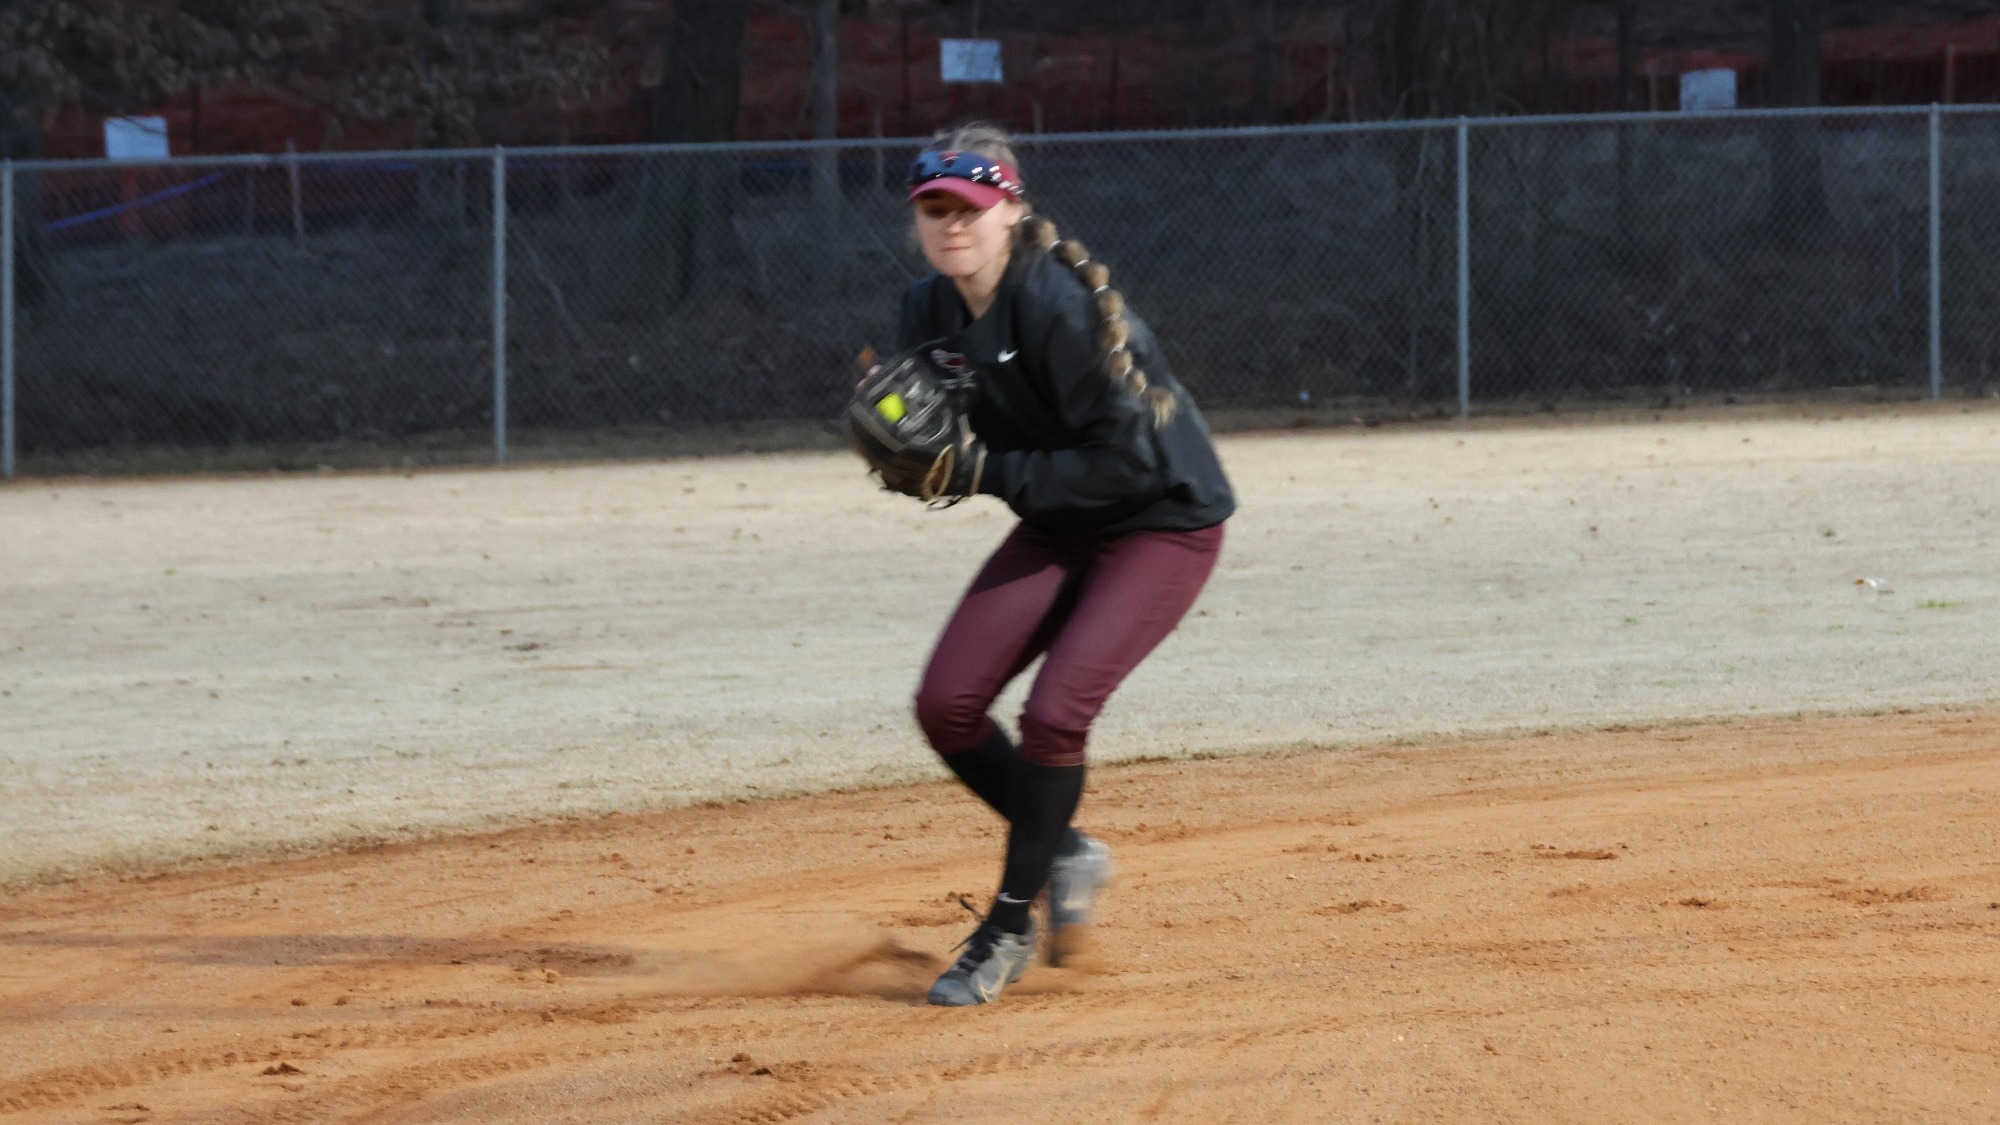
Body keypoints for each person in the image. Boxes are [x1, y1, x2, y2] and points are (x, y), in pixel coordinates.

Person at [890, 123, 1236, 1007]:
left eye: (967, 207)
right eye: (933, 208)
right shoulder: (928, 312)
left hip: (1161, 520)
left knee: (1052, 715)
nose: (950, 225)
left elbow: (1131, 463)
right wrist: (904, 448)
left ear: (1008, 210)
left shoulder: (1056, 306)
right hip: (1059, 518)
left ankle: (1006, 924)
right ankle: (1066, 851)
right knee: (947, 703)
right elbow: (935, 425)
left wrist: (988, 473)